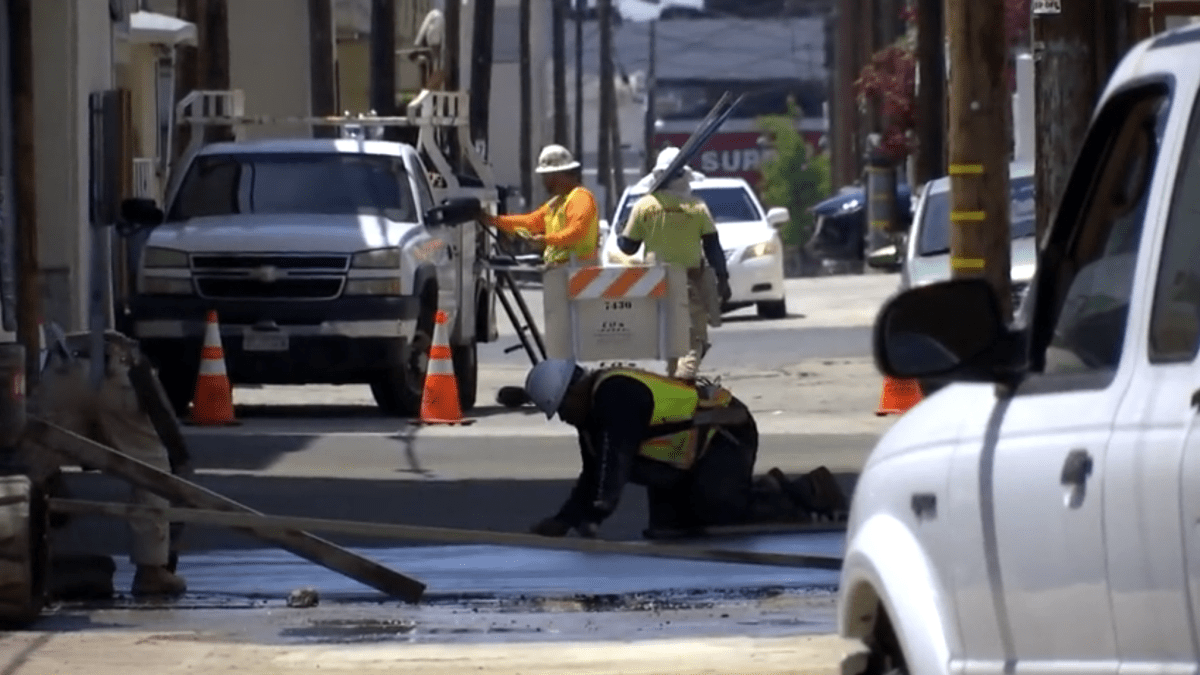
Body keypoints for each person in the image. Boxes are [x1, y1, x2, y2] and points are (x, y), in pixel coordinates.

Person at [521, 358, 842, 539]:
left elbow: (615, 462)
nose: (563, 418)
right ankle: (754, 492)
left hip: (722, 434)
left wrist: (593, 516)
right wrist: (564, 521)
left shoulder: (615, 397)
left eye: (561, 410)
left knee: (721, 517)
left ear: (573, 392)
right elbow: (594, 472)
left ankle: (805, 491)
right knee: (671, 531)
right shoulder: (592, 415)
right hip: (683, 462)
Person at [18, 331, 188, 597]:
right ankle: (151, 572)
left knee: (30, 465)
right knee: (150, 470)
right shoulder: (138, 363)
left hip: (61, 371)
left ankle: (17, 563)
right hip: (113, 371)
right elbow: (174, 445)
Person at [617, 147, 731, 380]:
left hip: (655, 285)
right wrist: (723, 278)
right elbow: (712, 247)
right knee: (694, 339)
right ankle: (682, 378)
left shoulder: (644, 206)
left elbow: (627, 247)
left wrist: (623, 227)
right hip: (688, 281)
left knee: (671, 339)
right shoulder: (697, 208)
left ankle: (674, 389)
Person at [481, 144, 600, 269]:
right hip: (562, 272)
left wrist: (545, 240)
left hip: (580, 273)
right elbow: (532, 222)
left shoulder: (580, 198)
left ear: (558, 175)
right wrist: (492, 220)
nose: (544, 182)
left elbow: (576, 232)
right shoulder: (559, 202)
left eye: (546, 176)